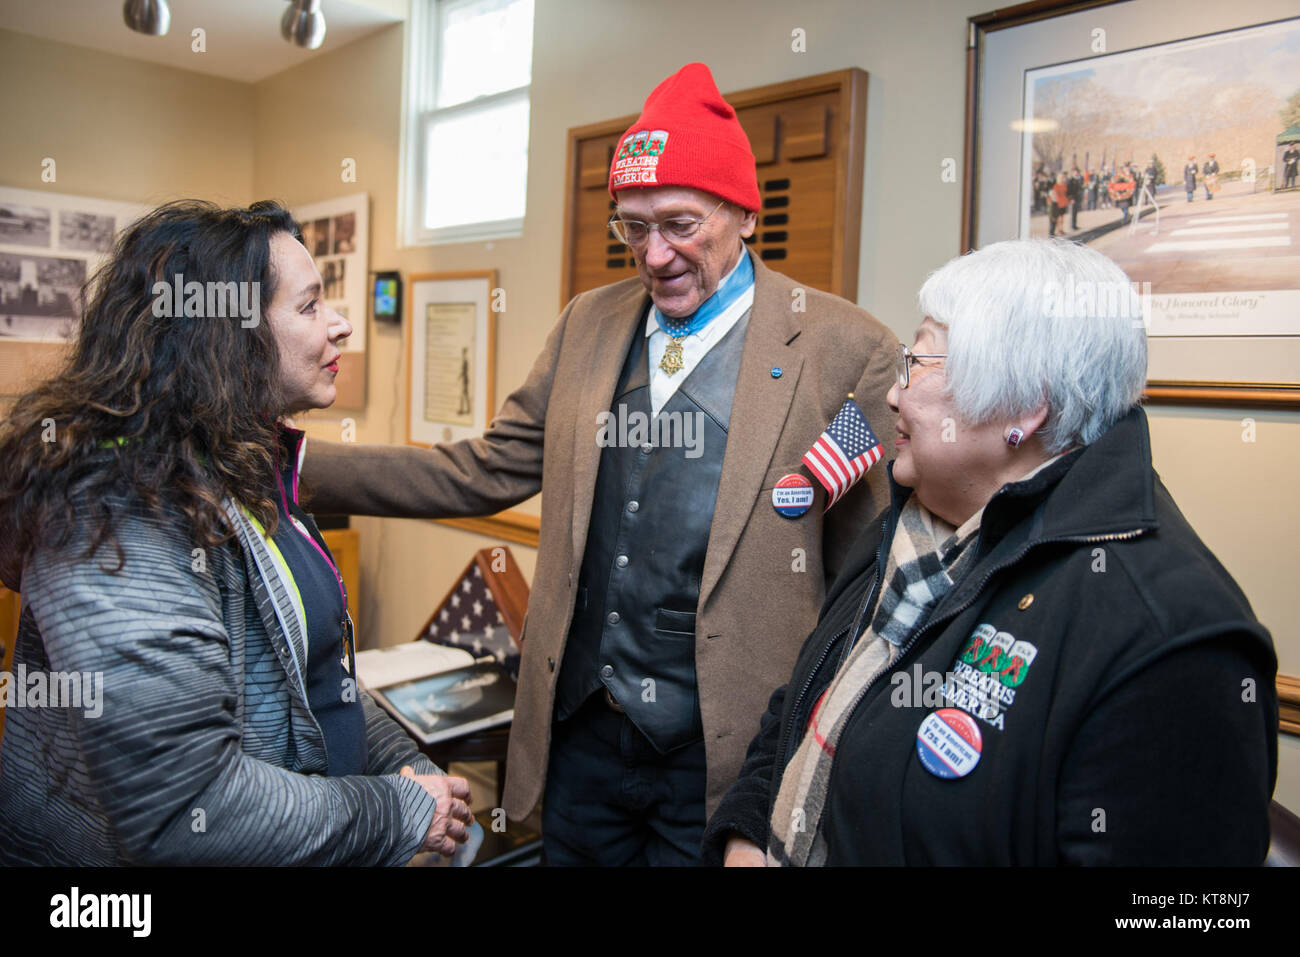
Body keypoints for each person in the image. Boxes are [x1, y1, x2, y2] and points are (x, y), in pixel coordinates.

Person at [300, 63, 900, 865]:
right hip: (583, 739)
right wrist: (293, 463)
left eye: (680, 224)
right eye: (633, 227)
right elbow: (481, 470)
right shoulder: (590, 323)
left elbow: (867, 577)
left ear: (744, 211)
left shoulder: (847, 349)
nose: (655, 255)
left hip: (722, 756)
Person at [703, 238, 1278, 866]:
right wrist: (745, 838)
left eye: (920, 362)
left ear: (1024, 409)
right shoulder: (913, 521)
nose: (894, 394)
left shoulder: (1170, 637)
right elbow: (802, 704)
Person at [0, 200, 479, 865]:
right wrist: (393, 811)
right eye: (310, 307)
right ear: (227, 335)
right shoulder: (116, 512)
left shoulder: (244, 467)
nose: (340, 325)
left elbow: (314, 676)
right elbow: (190, 811)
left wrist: (409, 768)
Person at [1047, 172, 1068, 236]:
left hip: (1063, 203)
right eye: (1061, 177)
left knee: (1062, 218)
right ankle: (1056, 230)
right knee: (1057, 218)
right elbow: (1053, 195)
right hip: (1058, 203)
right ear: (1058, 178)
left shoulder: (1065, 185)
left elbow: (1066, 193)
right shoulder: (1055, 186)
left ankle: (1060, 229)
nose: (1063, 179)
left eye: (1063, 177)